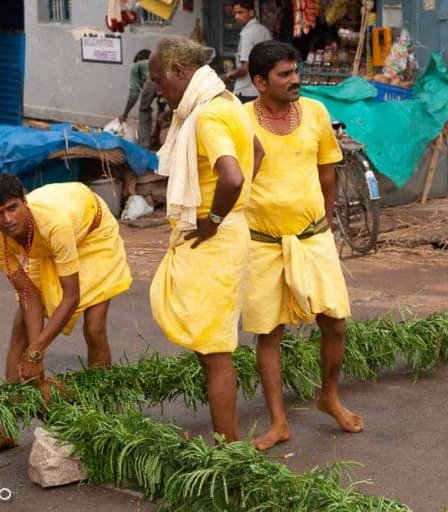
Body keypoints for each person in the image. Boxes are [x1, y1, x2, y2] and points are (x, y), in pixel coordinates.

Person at [242, 40, 364, 451]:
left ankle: (329, 396)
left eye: (296, 71)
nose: (295, 79)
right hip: (262, 243)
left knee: (335, 323)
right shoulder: (241, 121)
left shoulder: (315, 112)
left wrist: (326, 220)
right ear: (260, 82)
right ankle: (278, 422)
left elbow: (327, 170)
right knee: (269, 333)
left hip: (313, 237)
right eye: (285, 74)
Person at [147, 36, 256, 442]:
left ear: (179, 72)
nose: (157, 89)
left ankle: (229, 449)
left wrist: (214, 219)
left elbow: (233, 176)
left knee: (215, 353)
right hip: (224, 234)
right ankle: (227, 442)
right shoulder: (228, 101)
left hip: (215, 240)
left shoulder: (208, 115)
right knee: (210, 346)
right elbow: (257, 152)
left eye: (159, 79)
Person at [0, 175, 132, 455]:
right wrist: (35, 357)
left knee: (94, 327)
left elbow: (71, 296)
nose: (7, 219)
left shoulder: (53, 223)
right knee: (21, 327)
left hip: (92, 233)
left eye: (12, 208)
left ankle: (101, 420)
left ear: (25, 202)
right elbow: (28, 294)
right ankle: (5, 429)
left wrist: (35, 354)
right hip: (44, 244)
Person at [222, 0, 272, 103]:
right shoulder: (264, 30)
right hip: (264, 89)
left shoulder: (247, 33)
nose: (237, 17)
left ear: (251, 13)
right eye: (235, 13)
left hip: (246, 91)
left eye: (241, 12)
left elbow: (245, 68)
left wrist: (228, 76)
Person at [119, 48, 158, 149]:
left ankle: (144, 145)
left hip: (152, 83)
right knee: (163, 110)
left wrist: (125, 114)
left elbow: (134, 94)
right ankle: (158, 140)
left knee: (144, 110)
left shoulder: (137, 66)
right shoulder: (159, 62)